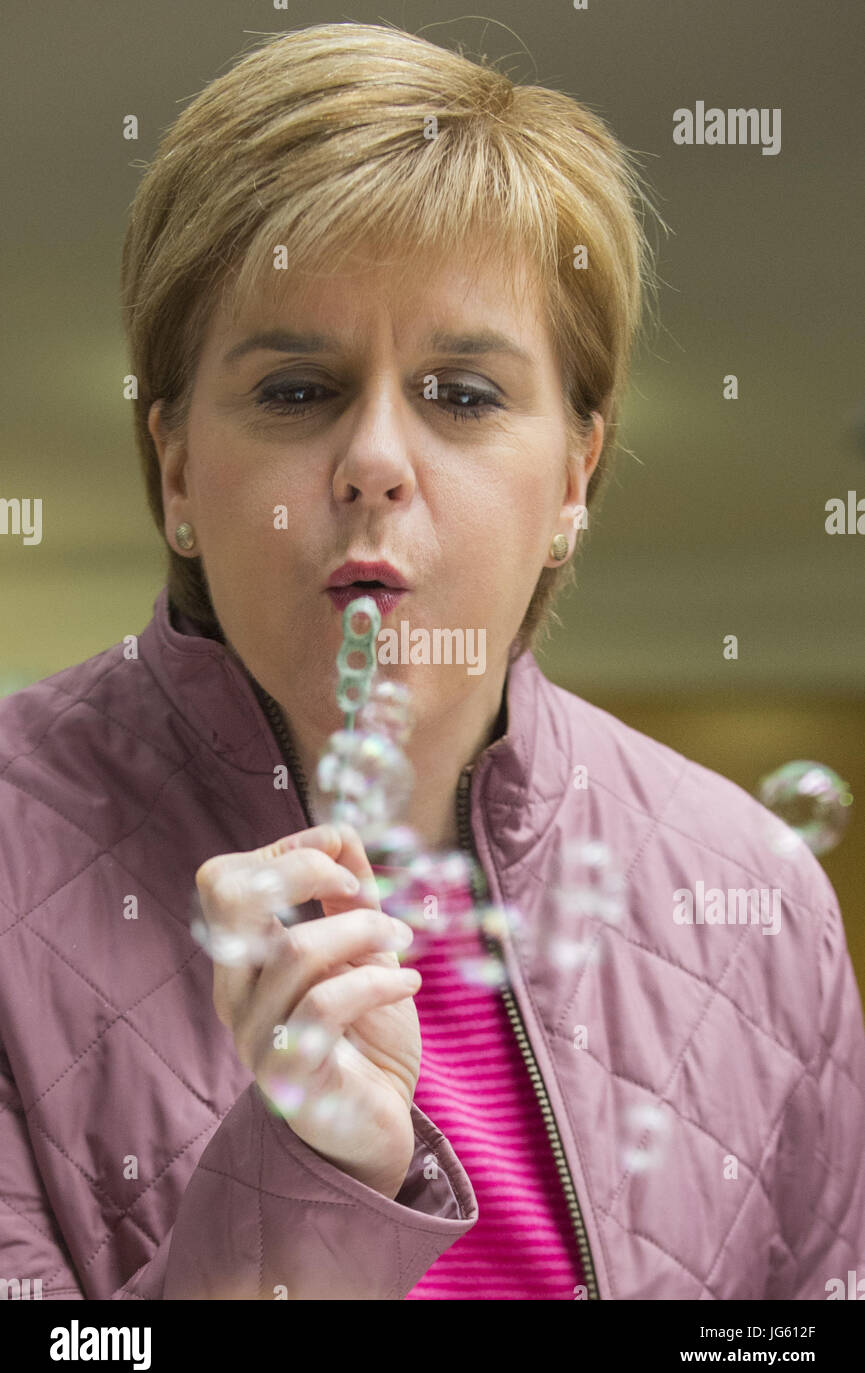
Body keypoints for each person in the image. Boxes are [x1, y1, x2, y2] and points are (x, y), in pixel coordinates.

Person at [1, 21, 863, 1302]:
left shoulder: (758, 902)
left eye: (463, 393)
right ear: (177, 468)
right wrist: (304, 1188)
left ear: (574, 474)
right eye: (297, 390)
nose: (375, 462)